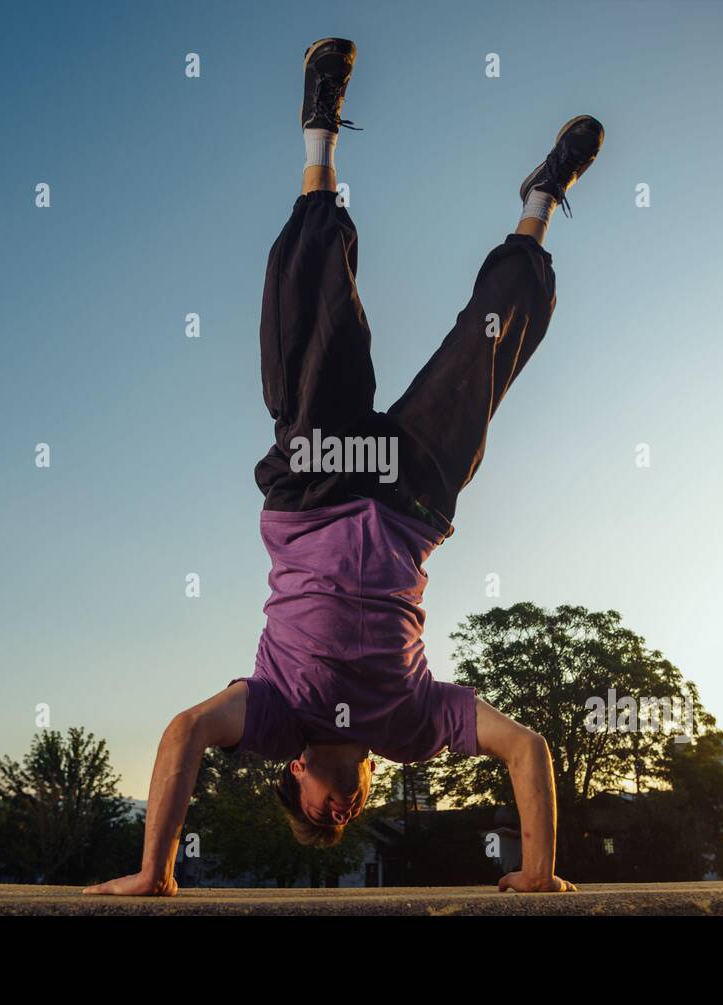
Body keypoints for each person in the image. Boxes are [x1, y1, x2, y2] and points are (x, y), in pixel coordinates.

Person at [86, 37, 602, 897]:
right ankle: (542, 201)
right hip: (409, 496)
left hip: (320, 482)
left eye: (323, 810)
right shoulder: (410, 728)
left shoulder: (273, 714)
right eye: (350, 816)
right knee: (489, 345)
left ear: (291, 773)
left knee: (316, 309)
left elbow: (182, 731)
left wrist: (156, 871)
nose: (344, 810)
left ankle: (319, 136)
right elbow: (527, 747)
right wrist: (538, 870)